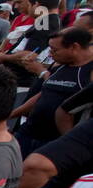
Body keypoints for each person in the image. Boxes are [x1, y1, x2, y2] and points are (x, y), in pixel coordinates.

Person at [10, 26, 93, 155]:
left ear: (74, 47)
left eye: (54, 50)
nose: (50, 54)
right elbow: (44, 94)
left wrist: (72, 143)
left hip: (56, 141)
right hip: (28, 133)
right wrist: (11, 115)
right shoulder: (60, 65)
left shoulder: (89, 71)